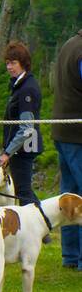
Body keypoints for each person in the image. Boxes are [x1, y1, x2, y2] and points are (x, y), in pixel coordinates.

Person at [0, 41, 42, 206]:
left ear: (23, 63)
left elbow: (26, 128)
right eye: (7, 63)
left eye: (13, 63)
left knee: (23, 192)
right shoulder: (19, 86)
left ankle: (42, 229)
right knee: (23, 191)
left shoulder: (26, 89)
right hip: (21, 147)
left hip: (25, 147)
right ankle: (40, 228)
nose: (9, 67)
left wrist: (8, 152)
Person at [53, 25, 82, 270]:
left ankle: (70, 256)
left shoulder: (69, 44)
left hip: (62, 131)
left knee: (69, 197)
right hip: (78, 134)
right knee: (79, 199)